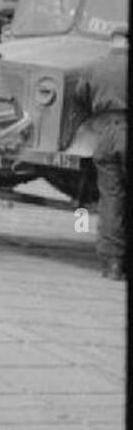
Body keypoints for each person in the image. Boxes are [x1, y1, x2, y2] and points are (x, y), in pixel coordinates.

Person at [73, 33, 127, 280]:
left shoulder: (95, 66)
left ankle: (112, 263)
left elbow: (80, 98)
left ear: (112, 41)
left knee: (111, 198)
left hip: (104, 133)